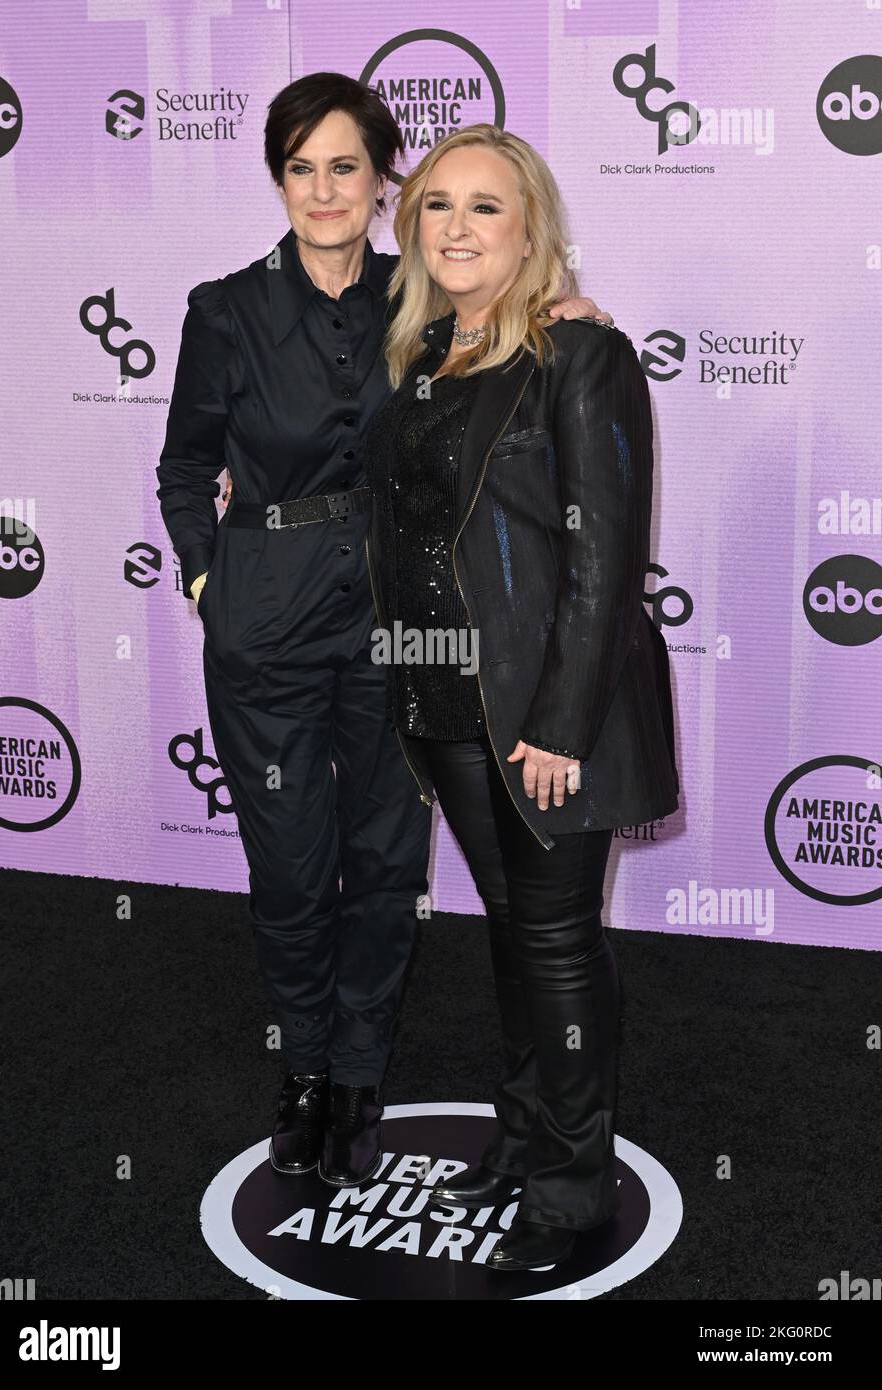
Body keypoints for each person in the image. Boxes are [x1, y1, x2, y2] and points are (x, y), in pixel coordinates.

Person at [155, 75, 609, 1190]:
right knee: (292, 867)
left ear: (380, 179)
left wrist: (569, 308)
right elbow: (183, 467)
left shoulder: (425, 294)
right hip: (264, 618)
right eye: (301, 167)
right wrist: (211, 581)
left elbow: (517, 342)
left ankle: (361, 1079)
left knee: (383, 857)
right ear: (277, 179)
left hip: (403, 624)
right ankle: (303, 1071)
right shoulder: (223, 309)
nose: (324, 189)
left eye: (345, 166)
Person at [364, 123, 680, 1271]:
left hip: (539, 712)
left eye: (485, 207)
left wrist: (560, 718)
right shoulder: (424, 351)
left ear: (530, 226)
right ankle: (521, 1128)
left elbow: (604, 553)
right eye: (437, 205)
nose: (456, 226)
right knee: (512, 925)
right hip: (444, 702)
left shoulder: (578, 354)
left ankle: (570, 1186)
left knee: (551, 937)